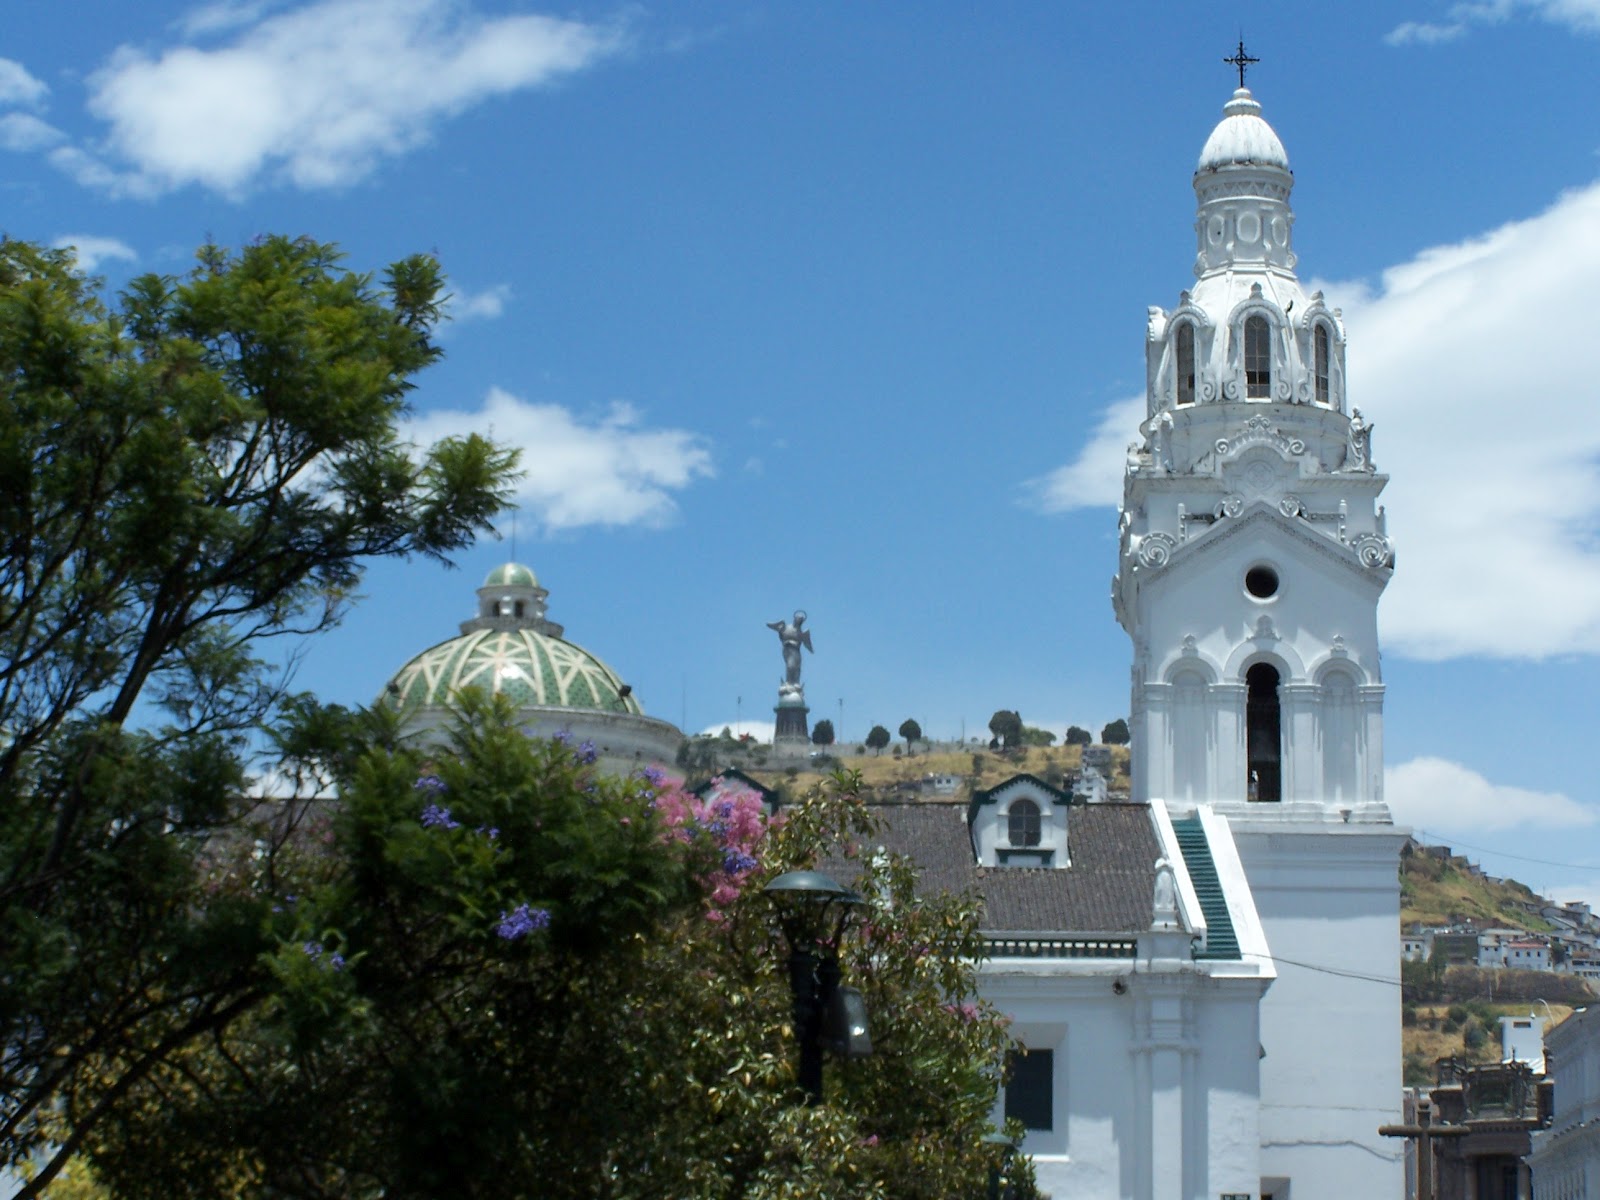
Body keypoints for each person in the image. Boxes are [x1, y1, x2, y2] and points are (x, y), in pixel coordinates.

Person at [766, 611, 813, 688]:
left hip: (796, 652)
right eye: (797, 619)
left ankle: (796, 683)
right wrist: (780, 632)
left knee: (797, 667)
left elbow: (806, 644)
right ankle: (789, 682)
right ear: (794, 619)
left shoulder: (801, 633)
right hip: (788, 651)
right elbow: (782, 638)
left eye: (800, 620)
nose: (798, 621)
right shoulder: (786, 627)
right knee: (790, 666)